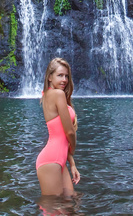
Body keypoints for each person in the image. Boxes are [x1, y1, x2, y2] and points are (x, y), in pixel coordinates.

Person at [36, 57, 81, 196]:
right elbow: (69, 133)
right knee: (53, 208)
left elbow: (60, 136)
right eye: (60, 75)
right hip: (51, 160)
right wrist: (73, 148)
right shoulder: (58, 94)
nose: (64, 80)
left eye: (66, 76)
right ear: (49, 77)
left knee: (71, 203)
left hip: (58, 159)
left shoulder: (47, 95)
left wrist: (72, 163)